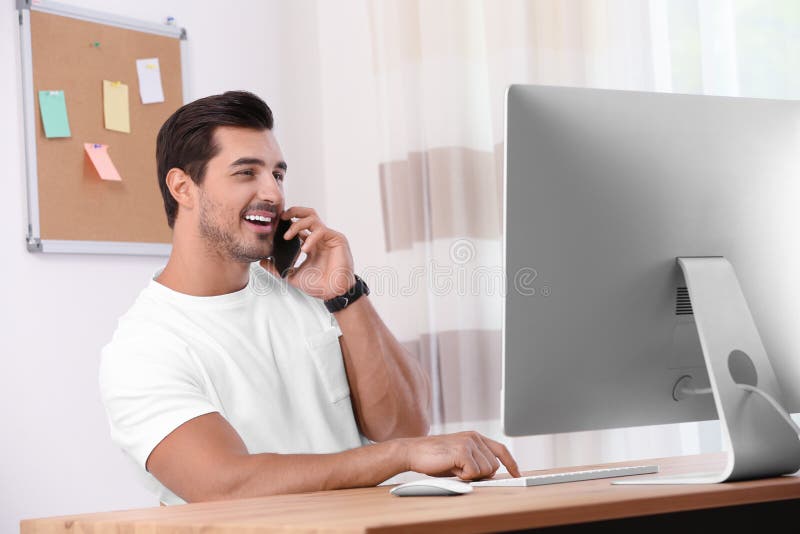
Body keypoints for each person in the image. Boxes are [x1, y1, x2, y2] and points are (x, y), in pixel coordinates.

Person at [99, 90, 520, 505]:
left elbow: (405, 426)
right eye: (247, 173)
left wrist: (346, 294)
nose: (273, 193)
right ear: (183, 188)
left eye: (277, 174)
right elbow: (225, 483)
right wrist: (399, 457)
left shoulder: (308, 295)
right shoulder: (145, 347)